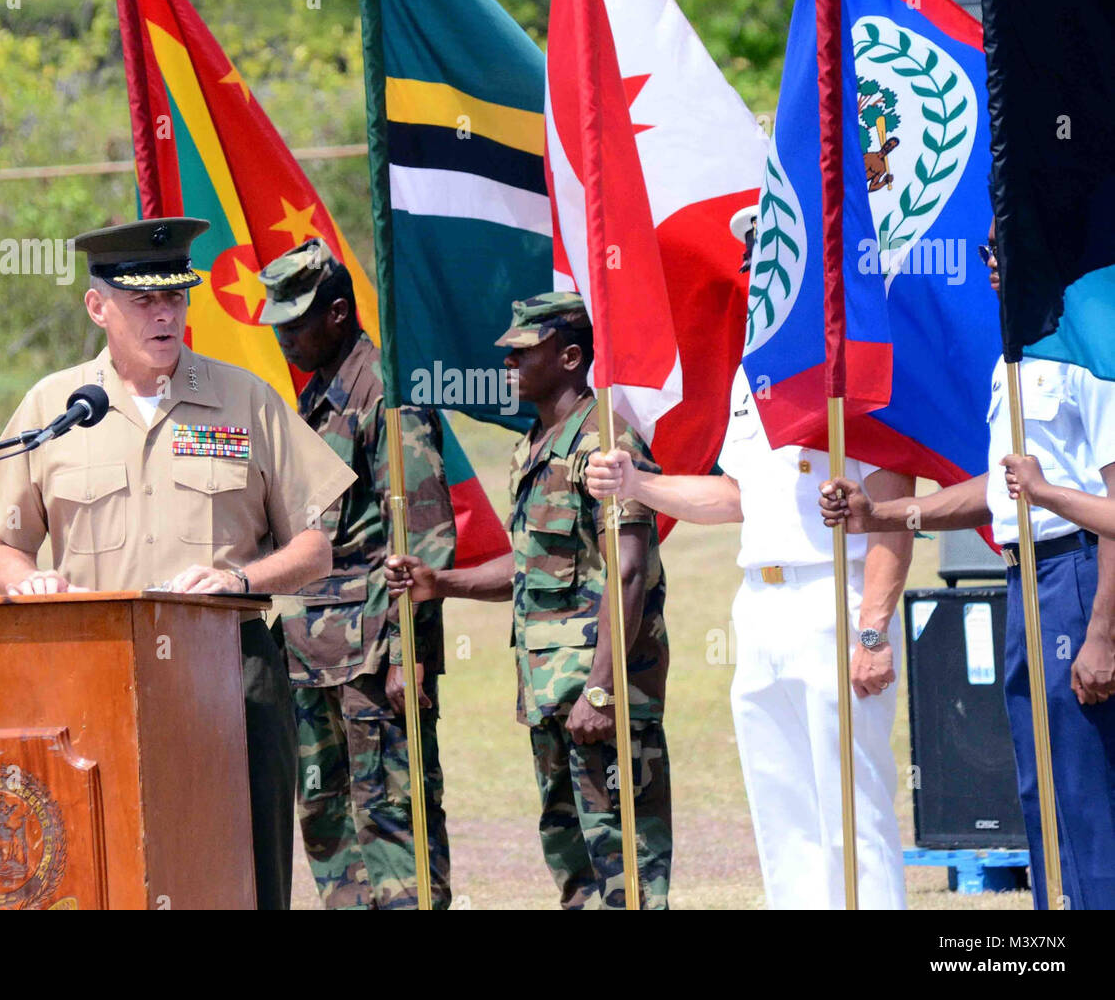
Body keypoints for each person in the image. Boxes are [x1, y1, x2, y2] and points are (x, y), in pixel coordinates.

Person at [0, 217, 356, 911]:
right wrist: (28, 583)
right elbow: (6, 546)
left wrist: (240, 581)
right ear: (97, 307)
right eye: (143, 300)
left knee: (247, 866)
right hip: (93, 670)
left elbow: (315, 548)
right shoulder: (55, 407)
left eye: (175, 297)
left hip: (231, 668)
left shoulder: (248, 399)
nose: (164, 312)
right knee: (94, 859)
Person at [587, 205, 913, 910]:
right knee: (782, 808)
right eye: (752, 262)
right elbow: (737, 495)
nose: (754, 274)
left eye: (769, 258)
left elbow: (892, 512)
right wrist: (640, 483)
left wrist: (872, 629)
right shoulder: (751, 378)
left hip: (835, 599)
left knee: (853, 810)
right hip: (760, 603)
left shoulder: (855, 365)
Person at [820, 220, 1115, 909]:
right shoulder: (1014, 360)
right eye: (985, 249)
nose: (989, 262)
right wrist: (881, 515)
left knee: (1086, 789)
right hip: (1028, 580)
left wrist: (1102, 633)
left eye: (1003, 247)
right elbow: (994, 494)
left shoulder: (1094, 348)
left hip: (1078, 578)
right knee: (1042, 790)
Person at [385, 292, 671, 910]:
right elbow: (530, 563)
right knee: (573, 862)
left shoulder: (605, 445)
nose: (509, 367)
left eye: (522, 354)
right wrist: (443, 583)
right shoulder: (536, 445)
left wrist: (602, 688)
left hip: (600, 691)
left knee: (626, 864)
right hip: (548, 691)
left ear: (570, 356)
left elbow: (628, 570)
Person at [258, 239, 455, 910]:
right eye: (278, 321)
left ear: (339, 313)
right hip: (310, 653)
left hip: (374, 659)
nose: (284, 335)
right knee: (329, 826)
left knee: (393, 825)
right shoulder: (317, 400)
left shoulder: (386, 396)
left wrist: (410, 654)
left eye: (297, 320)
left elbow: (426, 537)